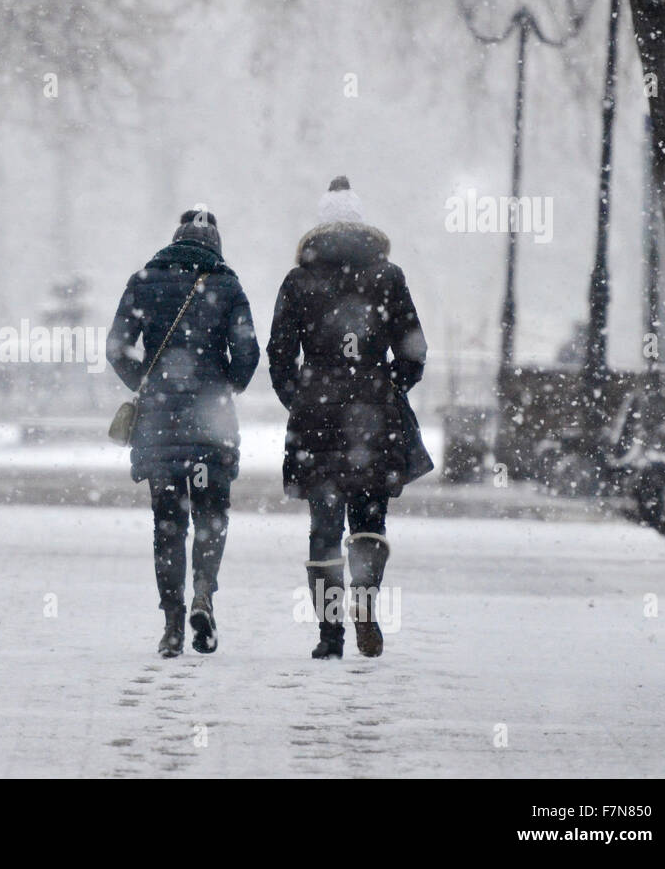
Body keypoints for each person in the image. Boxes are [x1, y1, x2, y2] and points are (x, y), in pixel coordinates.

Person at [268, 177, 429, 659]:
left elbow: (279, 355)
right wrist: (388, 386)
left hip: (317, 418)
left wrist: (300, 396)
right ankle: (365, 601)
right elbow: (414, 350)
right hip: (374, 417)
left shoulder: (299, 281)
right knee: (369, 520)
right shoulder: (388, 277)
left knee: (324, 526)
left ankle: (329, 633)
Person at [107, 208, 260, 657]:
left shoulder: (144, 280)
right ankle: (204, 594)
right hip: (211, 428)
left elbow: (116, 347)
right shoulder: (228, 286)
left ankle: (173, 624)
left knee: (168, 524)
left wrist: (145, 383)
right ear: (215, 244)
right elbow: (248, 353)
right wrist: (225, 383)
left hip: (159, 426)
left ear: (175, 239)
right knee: (210, 516)